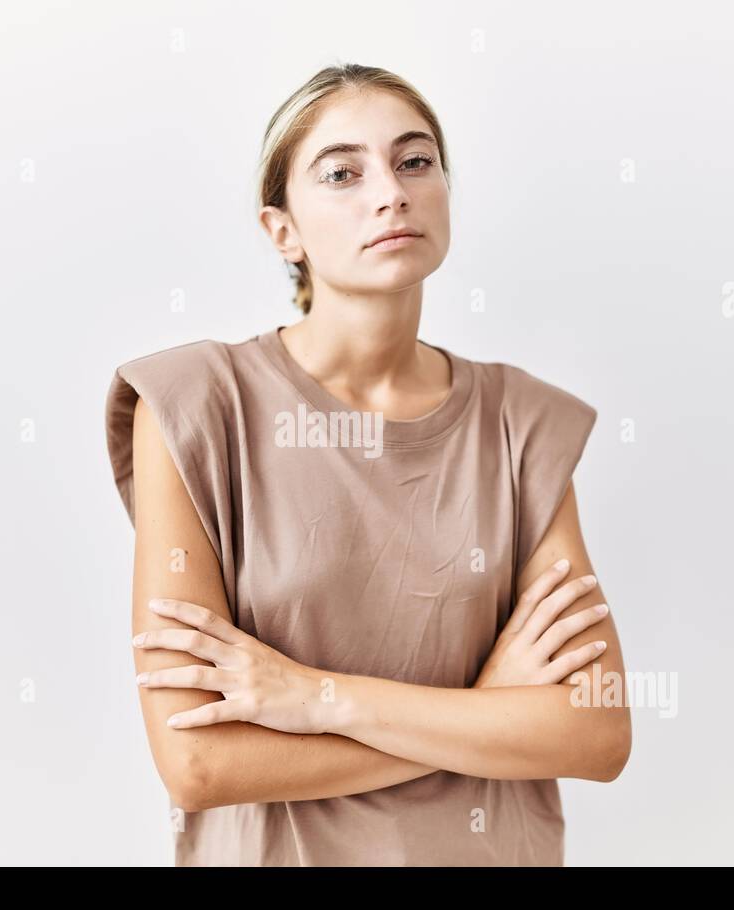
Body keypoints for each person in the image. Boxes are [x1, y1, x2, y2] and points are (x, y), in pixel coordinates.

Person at [105, 62, 630, 866]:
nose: (390, 191)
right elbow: (200, 763)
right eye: (343, 173)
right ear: (282, 231)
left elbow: (594, 732)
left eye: (415, 162)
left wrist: (314, 699)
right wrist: (485, 713)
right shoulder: (193, 404)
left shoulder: (522, 421)